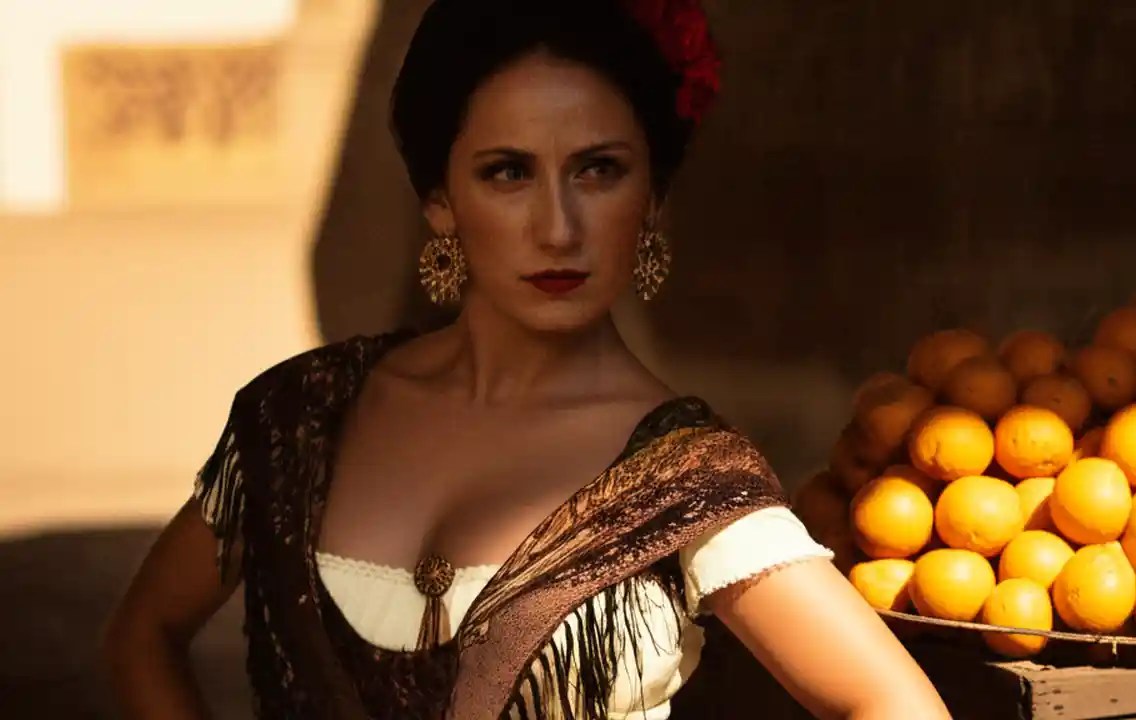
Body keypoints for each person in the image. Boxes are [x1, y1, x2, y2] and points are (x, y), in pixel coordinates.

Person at [104, 1, 952, 718]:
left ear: (652, 197)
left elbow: (892, 705)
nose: (558, 227)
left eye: (599, 171)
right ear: (439, 201)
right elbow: (144, 632)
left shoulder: (684, 479)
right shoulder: (300, 413)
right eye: (508, 172)